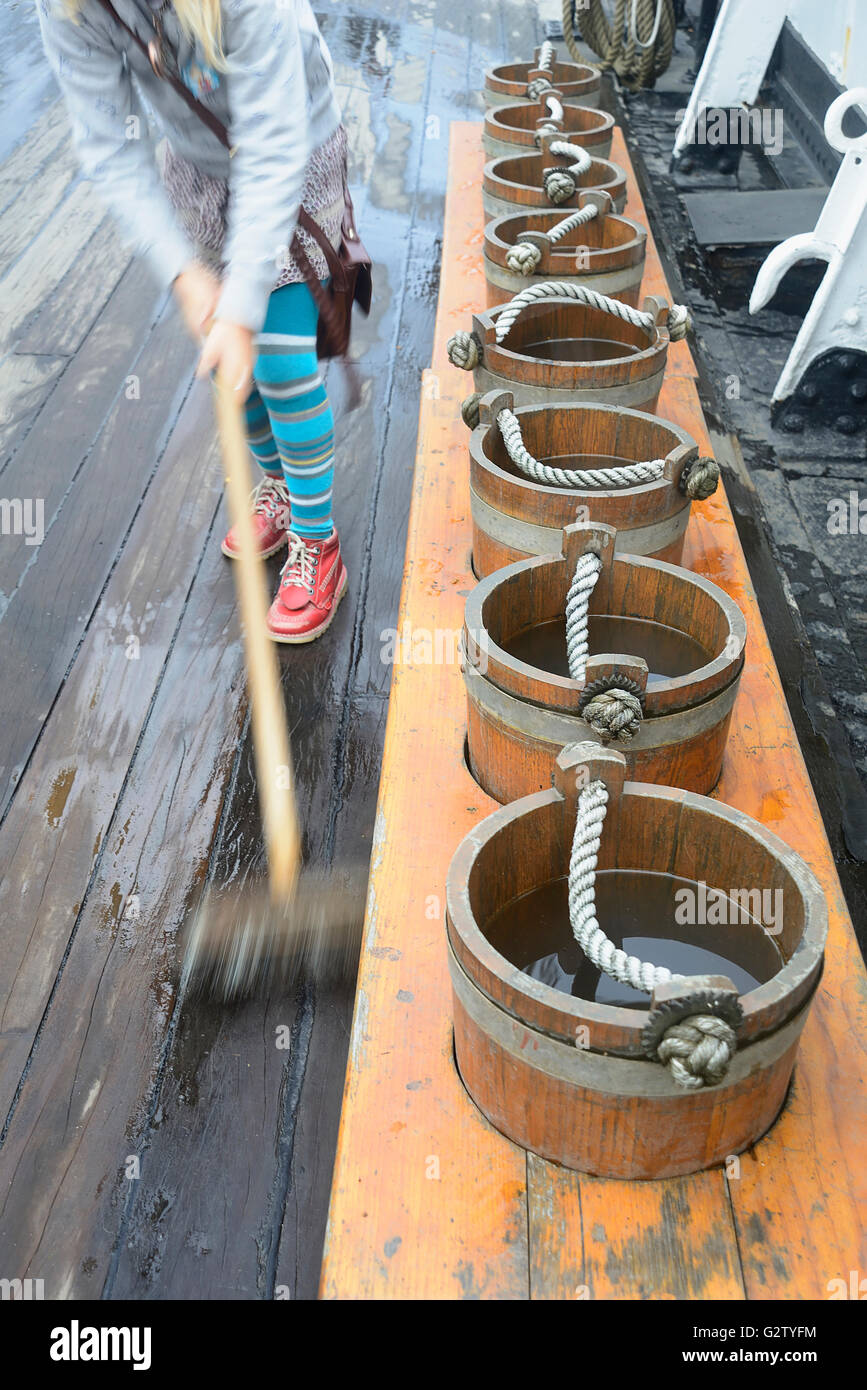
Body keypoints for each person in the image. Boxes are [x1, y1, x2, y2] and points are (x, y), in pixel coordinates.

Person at [38, 0, 350, 643]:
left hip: (294, 145)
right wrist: (183, 270)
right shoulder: (66, 7)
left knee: (282, 360)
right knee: (231, 374)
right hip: (199, 171)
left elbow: (272, 142)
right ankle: (281, 488)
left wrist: (241, 308)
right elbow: (110, 148)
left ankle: (318, 542)